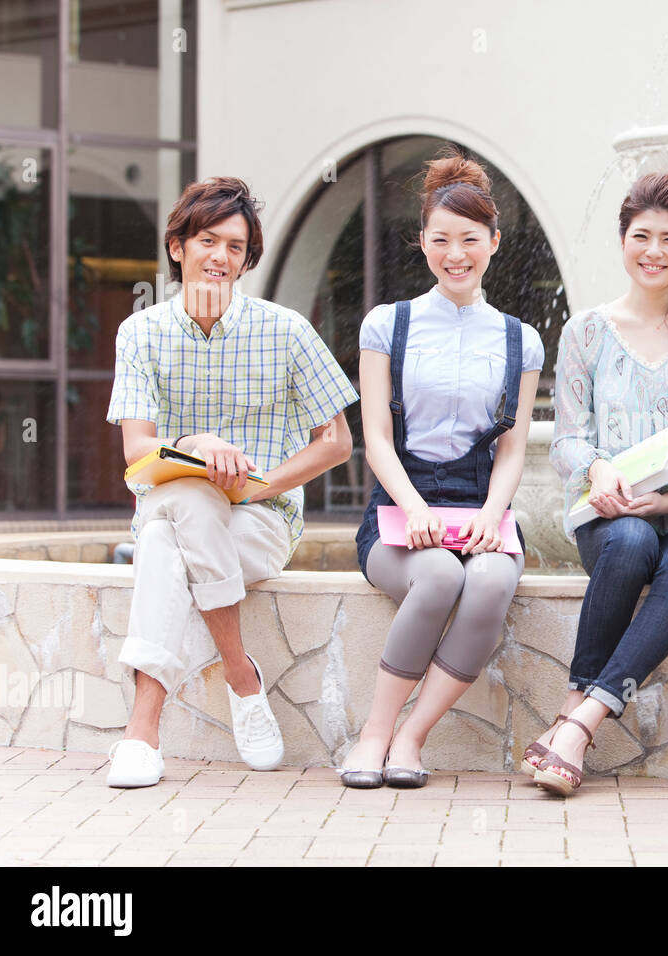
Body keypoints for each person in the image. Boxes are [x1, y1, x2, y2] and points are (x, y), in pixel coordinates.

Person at [105, 177, 358, 788]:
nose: (220, 256)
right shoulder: (140, 333)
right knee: (179, 512)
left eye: (235, 247)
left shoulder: (288, 331)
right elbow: (138, 448)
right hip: (173, 508)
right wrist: (193, 446)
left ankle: (142, 735)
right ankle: (242, 678)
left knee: (166, 543)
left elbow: (338, 442)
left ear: (247, 260)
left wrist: (257, 486)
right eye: (207, 240)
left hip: (261, 520)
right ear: (177, 246)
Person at [531, 172, 668, 796]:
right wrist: (597, 470)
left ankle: (579, 718)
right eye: (641, 236)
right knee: (628, 543)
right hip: (612, 507)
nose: (653, 250)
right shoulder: (587, 333)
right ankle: (580, 710)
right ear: (623, 240)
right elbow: (568, 435)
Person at [341, 152, 542, 788]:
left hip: (481, 510)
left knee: (486, 584)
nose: (456, 255)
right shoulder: (388, 325)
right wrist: (416, 509)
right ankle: (374, 733)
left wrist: (490, 516)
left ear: (493, 244)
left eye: (470, 240)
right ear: (422, 241)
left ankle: (411, 737)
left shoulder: (520, 339)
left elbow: (512, 447)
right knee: (436, 579)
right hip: (400, 508)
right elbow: (374, 437)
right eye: (441, 240)